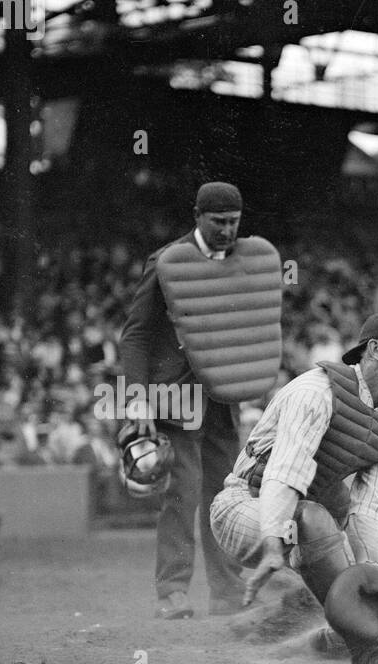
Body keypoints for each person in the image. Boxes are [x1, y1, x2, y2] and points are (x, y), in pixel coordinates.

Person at [209, 310, 378, 664]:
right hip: (245, 506)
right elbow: (283, 474)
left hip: (311, 521)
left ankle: (318, 634)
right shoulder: (316, 391)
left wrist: (372, 571)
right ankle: (369, 656)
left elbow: (367, 511)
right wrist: (273, 543)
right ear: (374, 349)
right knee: (310, 520)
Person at [119, 181, 266, 619]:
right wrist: (137, 398)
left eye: (234, 222)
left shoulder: (241, 263)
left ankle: (227, 591)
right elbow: (136, 334)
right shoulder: (167, 261)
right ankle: (172, 592)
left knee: (226, 495)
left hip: (221, 396)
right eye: (218, 221)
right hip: (175, 394)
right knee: (182, 492)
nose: (227, 230)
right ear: (198, 216)